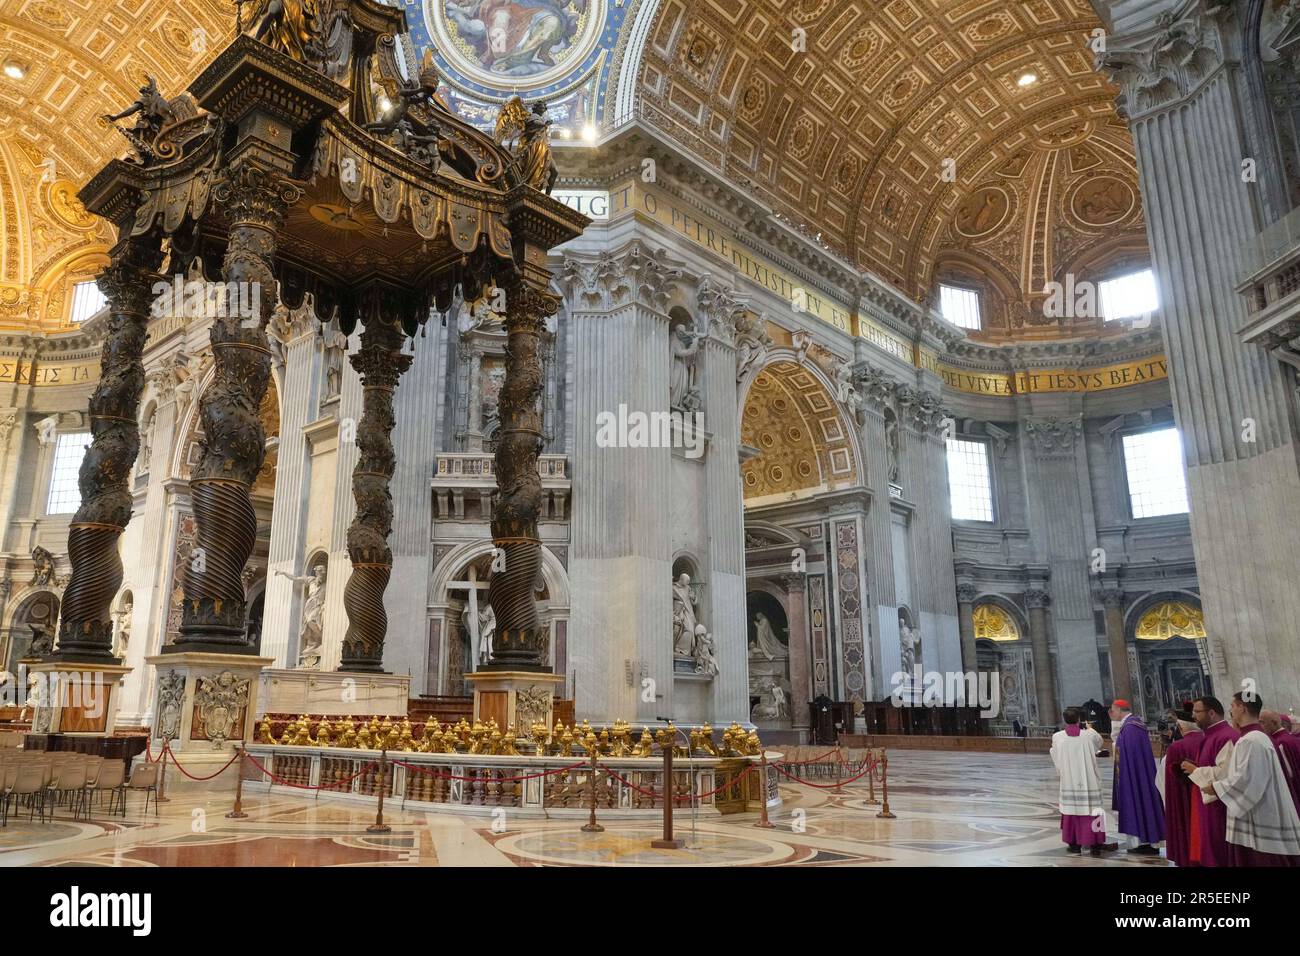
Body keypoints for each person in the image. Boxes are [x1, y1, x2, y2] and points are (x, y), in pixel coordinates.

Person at [1192, 693, 1300, 866]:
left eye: (1233, 705)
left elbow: (1248, 780)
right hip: (1259, 812)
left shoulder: (1252, 740)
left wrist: (1217, 788)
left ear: (1242, 707)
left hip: (1261, 816)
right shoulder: (1254, 737)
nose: (1230, 710)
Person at [1179, 695, 1239, 867]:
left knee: (1218, 850)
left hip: (1220, 806)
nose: (1193, 716)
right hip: (1209, 803)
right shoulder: (1212, 735)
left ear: (1211, 713)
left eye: (1197, 712)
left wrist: (1196, 771)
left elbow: (1226, 775)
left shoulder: (1225, 736)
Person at [1051, 707, 1115, 856]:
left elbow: (1055, 754)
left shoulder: (1058, 737)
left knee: (1071, 812)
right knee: (1092, 812)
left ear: (1064, 719)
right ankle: (1095, 846)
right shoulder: (1089, 735)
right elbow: (1099, 743)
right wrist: (1090, 729)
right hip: (1089, 780)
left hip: (1070, 781)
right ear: (1079, 719)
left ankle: (1074, 845)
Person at [1110, 698, 1164, 854]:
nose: (1112, 714)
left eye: (1113, 711)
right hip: (1139, 773)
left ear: (1120, 710)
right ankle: (1145, 840)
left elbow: (1125, 754)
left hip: (1132, 775)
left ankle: (1142, 842)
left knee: (1137, 801)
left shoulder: (1130, 728)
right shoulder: (1134, 724)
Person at [1162, 711, 1204, 866]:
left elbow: (1168, 783)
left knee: (1187, 829)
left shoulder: (1175, 747)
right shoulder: (1208, 739)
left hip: (1183, 800)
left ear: (1180, 727)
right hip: (1209, 793)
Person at [1261, 709, 1300, 818]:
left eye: (1262, 722)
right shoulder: (1293, 738)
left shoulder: (1280, 742)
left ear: (1274, 723)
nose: (1260, 727)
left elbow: (1288, 774)